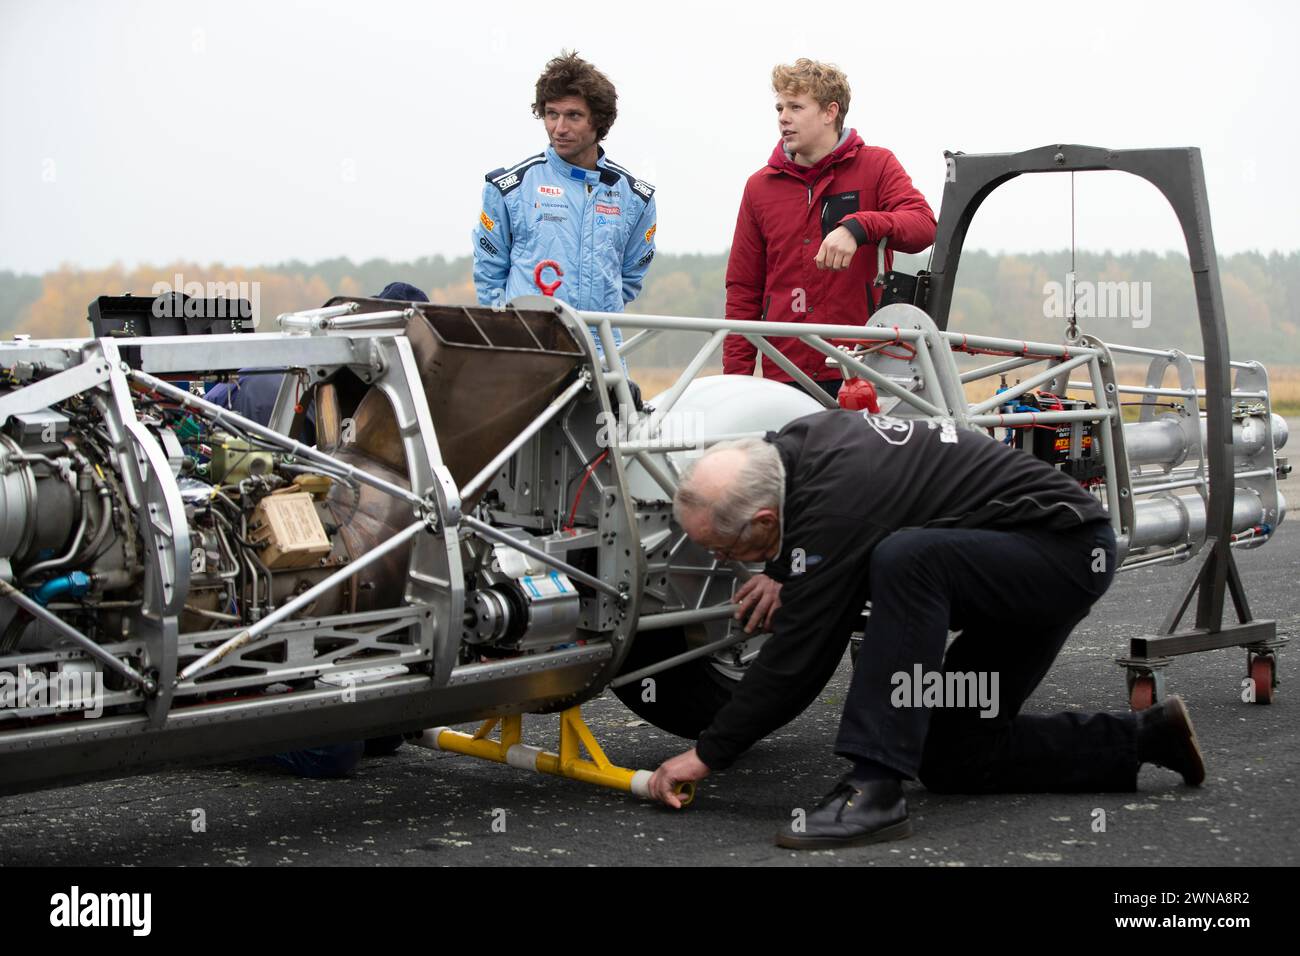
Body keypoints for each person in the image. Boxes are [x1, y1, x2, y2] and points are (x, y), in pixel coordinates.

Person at [646, 412, 1206, 848]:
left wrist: (707, 753)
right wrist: (779, 568)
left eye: (724, 548)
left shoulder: (836, 510)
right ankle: (1146, 737)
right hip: (1007, 555)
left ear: (765, 520)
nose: (724, 561)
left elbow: (799, 657)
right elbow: (800, 524)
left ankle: (874, 789)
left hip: (1062, 551)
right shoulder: (790, 446)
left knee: (906, 558)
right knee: (955, 753)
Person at [721, 59, 937, 399]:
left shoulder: (877, 165)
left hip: (864, 366)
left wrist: (859, 225)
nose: (783, 117)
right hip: (785, 371)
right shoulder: (758, 187)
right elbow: (743, 289)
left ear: (829, 112)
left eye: (795, 106)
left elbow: (924, 226)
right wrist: (735, 384)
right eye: (779, 107)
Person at [472, 51, 656, 345]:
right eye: (551, 114)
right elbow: (489, 275)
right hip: (527, 348)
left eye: (573, 116)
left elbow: (630, 278)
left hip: (603, 350)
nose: (559, 128)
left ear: (599, 121)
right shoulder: (510, 188)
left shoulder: (634, 197)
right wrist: (506, 337)